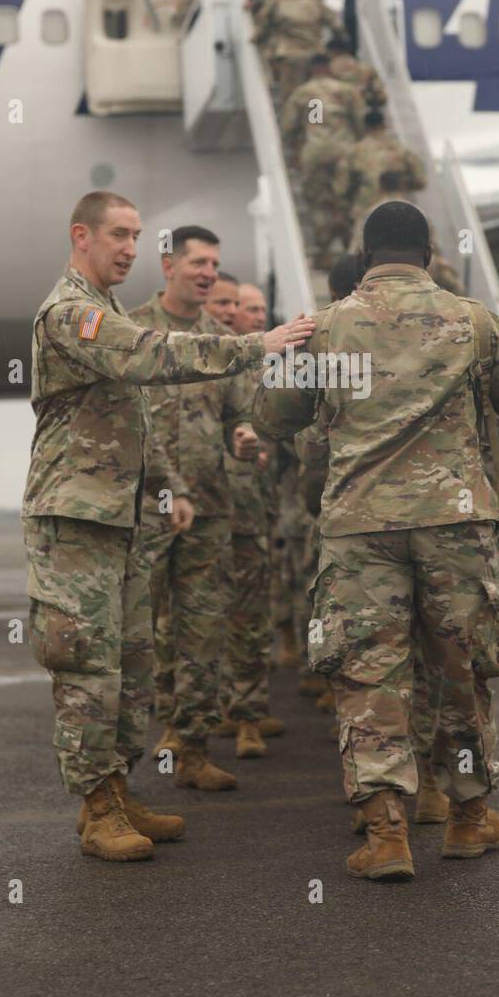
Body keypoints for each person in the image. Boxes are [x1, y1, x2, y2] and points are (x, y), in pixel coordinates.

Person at [253, 201, 499, 881]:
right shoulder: (473, 320)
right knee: (460, 671)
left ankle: (386, 835)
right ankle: (469, 819)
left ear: (365, 251)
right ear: (429, 249)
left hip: (360, 528)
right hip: (454, 522)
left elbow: (273, 417)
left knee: (368, 675)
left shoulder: (324, 328)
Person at [22, 192, 312, 861]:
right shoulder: (73, 314)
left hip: (122, 517)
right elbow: (147, 356)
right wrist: (252, 344)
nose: (128, 247)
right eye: (117, 235)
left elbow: (135, 428)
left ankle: (118, 791)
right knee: (88, 666)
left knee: (131, 664)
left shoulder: (108, 308)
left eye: (135, 235)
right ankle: (95, 808)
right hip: (75, 520)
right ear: (81, 236)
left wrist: (164, 491)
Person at [130, 228, 264, 792]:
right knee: (145, 630)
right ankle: (140, 745)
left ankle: (194, 746)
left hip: (209, 507)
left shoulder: (220, 340)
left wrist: (244, 436)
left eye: (215, 262)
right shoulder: (133, 329)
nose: (209, 272)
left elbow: (240, 411)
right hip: (148, 508)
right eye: (198, 262)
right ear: (169, 266)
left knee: (204, 629)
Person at [217, 282, 286, 755]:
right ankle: (196, 717)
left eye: (263, 309)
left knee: (249, 615)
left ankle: (247, 717)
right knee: (192, 619)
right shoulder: (199, 359)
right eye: (247, 308)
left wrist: (266, 449)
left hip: (250, 509)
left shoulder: (272, 368)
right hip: (202, 508)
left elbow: (288, 429)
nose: (255, 316)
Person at [281, 51, 366, 268]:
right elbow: (360, 122)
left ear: (312, 69)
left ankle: (324, 250)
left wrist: (295, 149)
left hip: (315, 152)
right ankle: (351, 247)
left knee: (318, 200)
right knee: (346, 198)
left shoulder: (302, 92)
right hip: (343, 151)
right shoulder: (346, 90)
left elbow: (288, 127)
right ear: (329, 68)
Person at [335, 109, 427, 245]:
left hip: (364, 208)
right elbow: (421, 180)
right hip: (397, 207)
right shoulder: (401, 149)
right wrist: (402, 183)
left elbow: (341, 188)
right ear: (384, 125)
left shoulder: (354, 151)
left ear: (365, 127)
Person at [252, 0, 342, 107]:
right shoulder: (313, 0)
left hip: (290, 56)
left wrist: (255, 40)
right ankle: (314, 124)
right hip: (315, 55)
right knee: (314, 96)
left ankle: (290, 125)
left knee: (290, 97)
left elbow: (262, 27)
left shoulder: (276, 2)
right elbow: (336, 24)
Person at [326, 34, 387, 109]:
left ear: (332, 51)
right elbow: (381, 97)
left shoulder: (327, 71)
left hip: (337, 115)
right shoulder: (366, 69)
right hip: (363, 113)